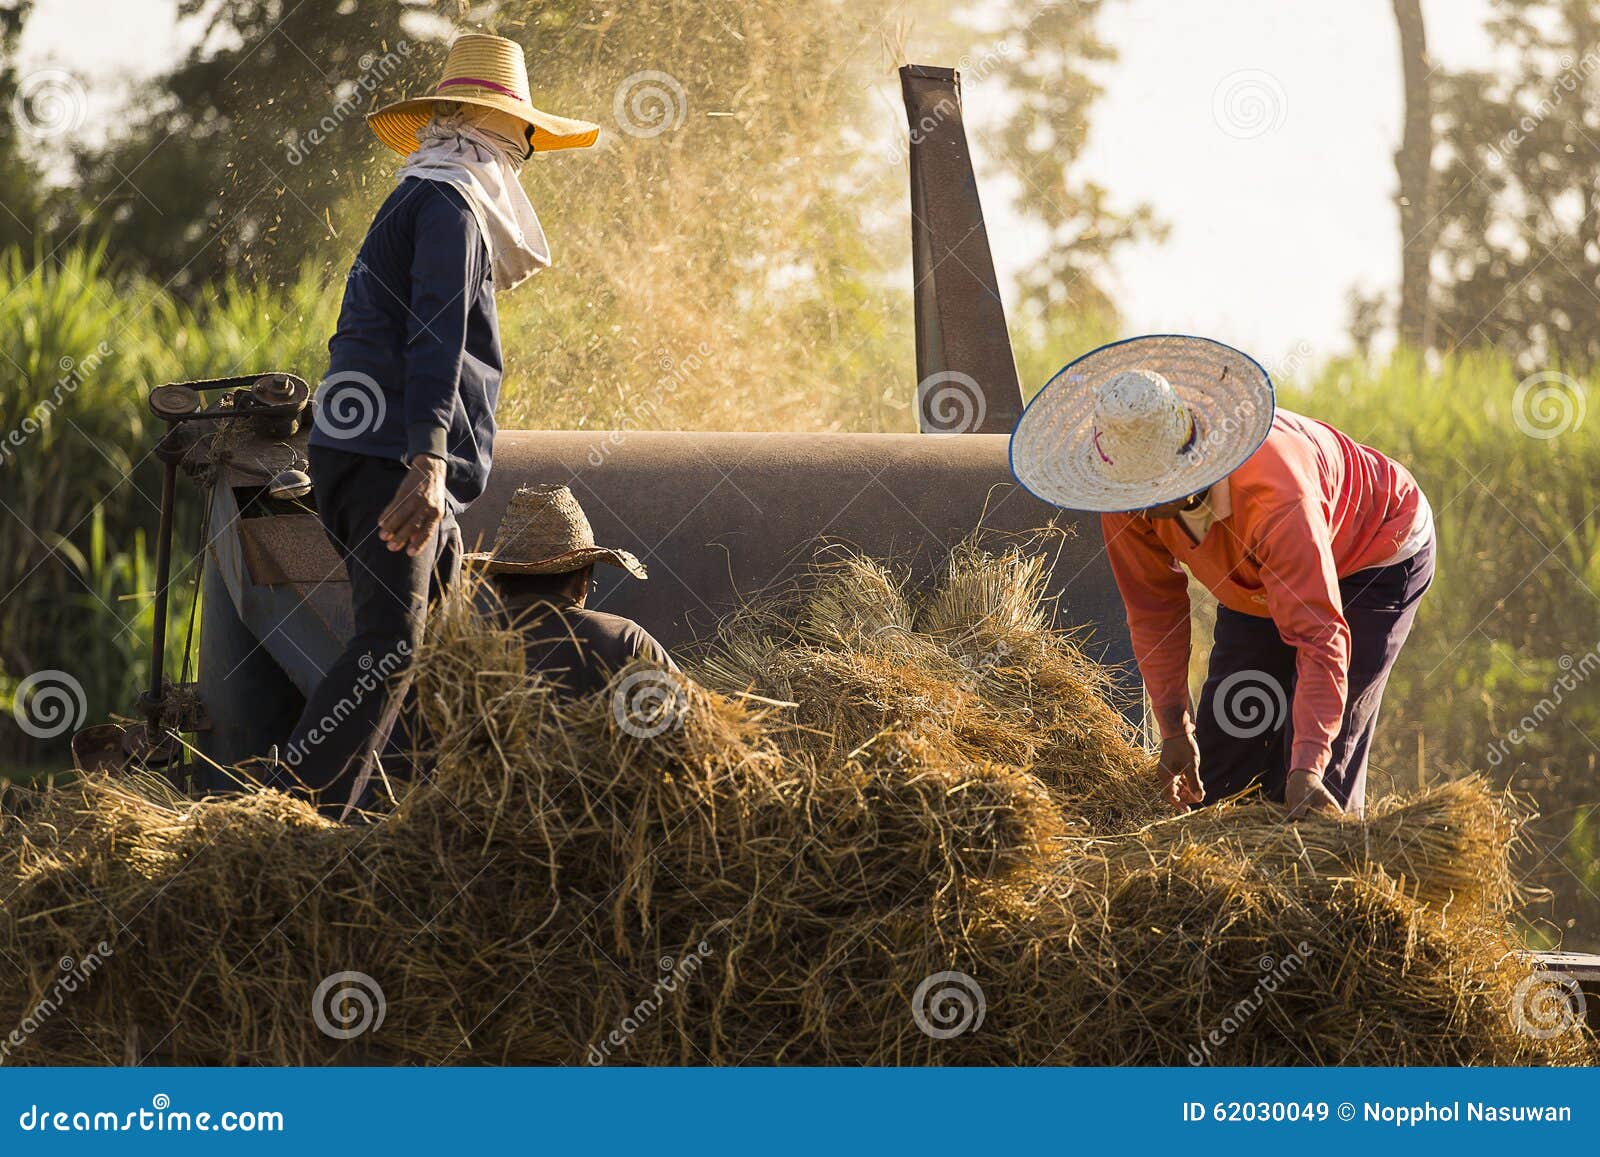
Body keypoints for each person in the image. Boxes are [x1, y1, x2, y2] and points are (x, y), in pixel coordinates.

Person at [277, 35, 599, 817]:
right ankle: (278, 805)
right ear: (498, 130)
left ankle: (413, 822)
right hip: (394, 459)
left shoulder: (418, 196)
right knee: (391, 645)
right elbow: (436, 334)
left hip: (372, 451)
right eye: (525, 137)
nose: (527, 153)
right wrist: (426, 461)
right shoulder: (452, 203)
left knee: (439, 651)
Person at [1010, 335, 1434, 819]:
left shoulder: (1277, 500)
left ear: (1185, 476)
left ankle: (1320, 857)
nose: (1135, 508)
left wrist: (1308, 768)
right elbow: (1154, 611)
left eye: (1150, 492)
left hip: (1372, 554)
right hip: (1251, 578)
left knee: (1312, 783)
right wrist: (1175, 731)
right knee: (1226, 763)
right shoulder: (1125, 498)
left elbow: (1319, 636)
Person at [468, 483, 676, 693]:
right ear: (583, 580)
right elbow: (689, 714)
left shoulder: (464, 646)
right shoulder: (626, 639)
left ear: (498, 584)